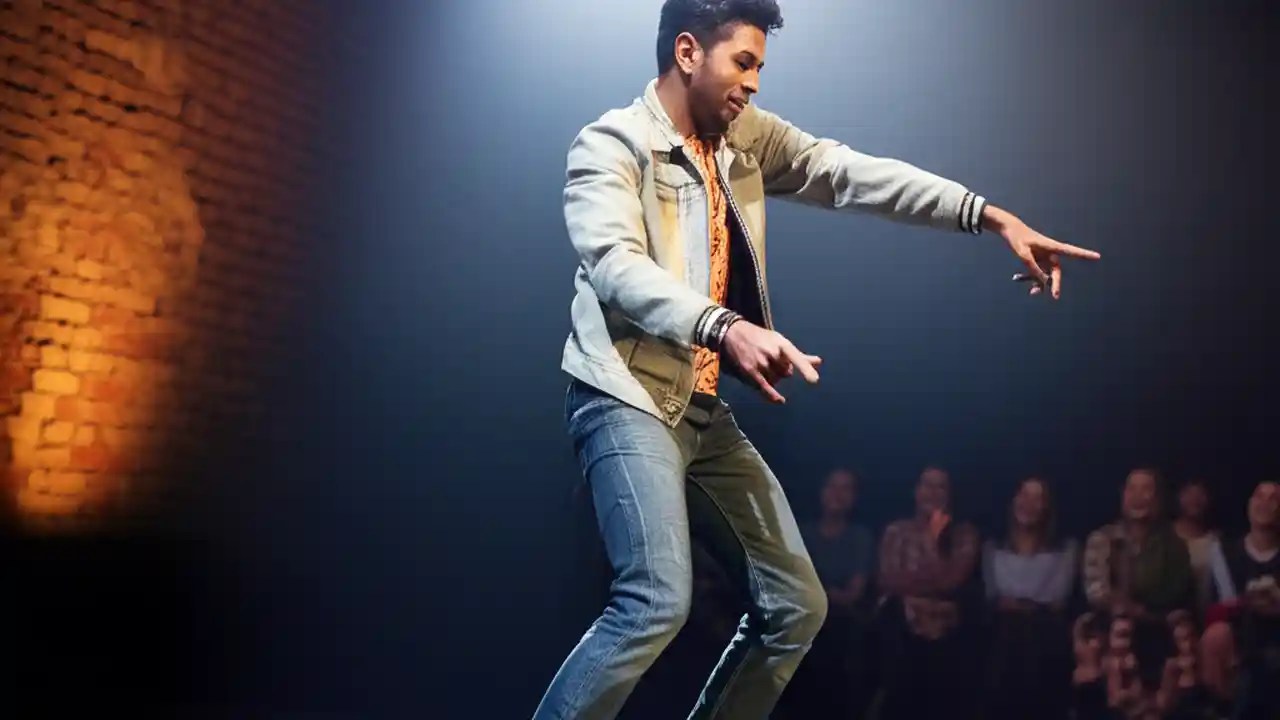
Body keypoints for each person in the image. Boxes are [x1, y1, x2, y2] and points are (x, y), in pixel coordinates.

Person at [535, 0, 1101, 716]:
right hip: (625, 398)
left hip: (700, 412)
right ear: (687, 53)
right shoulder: (610, 146)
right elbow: (616, 265)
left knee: (796, 604)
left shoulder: (744, 139)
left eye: (760, 68)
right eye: (743, 62)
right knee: (654, 599)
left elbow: (846, 172)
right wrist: (724, 326)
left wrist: (987, 215)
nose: (754, 84)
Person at [874, 466, 982, 719]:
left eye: (940, 486)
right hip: (902, 626)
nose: (932, 492)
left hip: (947, 634)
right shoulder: (895, 531)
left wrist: (933, 541)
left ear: (950, 494)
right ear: (916, 491)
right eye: (927, 485)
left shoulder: (965, 534)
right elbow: (889, 579)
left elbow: (952, 582)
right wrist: (930, 585)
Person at [982, 476, 1078, 720]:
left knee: (1035, 628)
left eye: (1038, 498)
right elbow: (994, 598)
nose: (1029, 503)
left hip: (1046, 639)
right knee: (1007, 629)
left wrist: (1018, 604)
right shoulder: (992, 549)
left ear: (1047, 508)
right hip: (1003, 644)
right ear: (1014, 501)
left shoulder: (1066, 549)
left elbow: (1058, 600)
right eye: (1024, 495)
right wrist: (1027, 604)